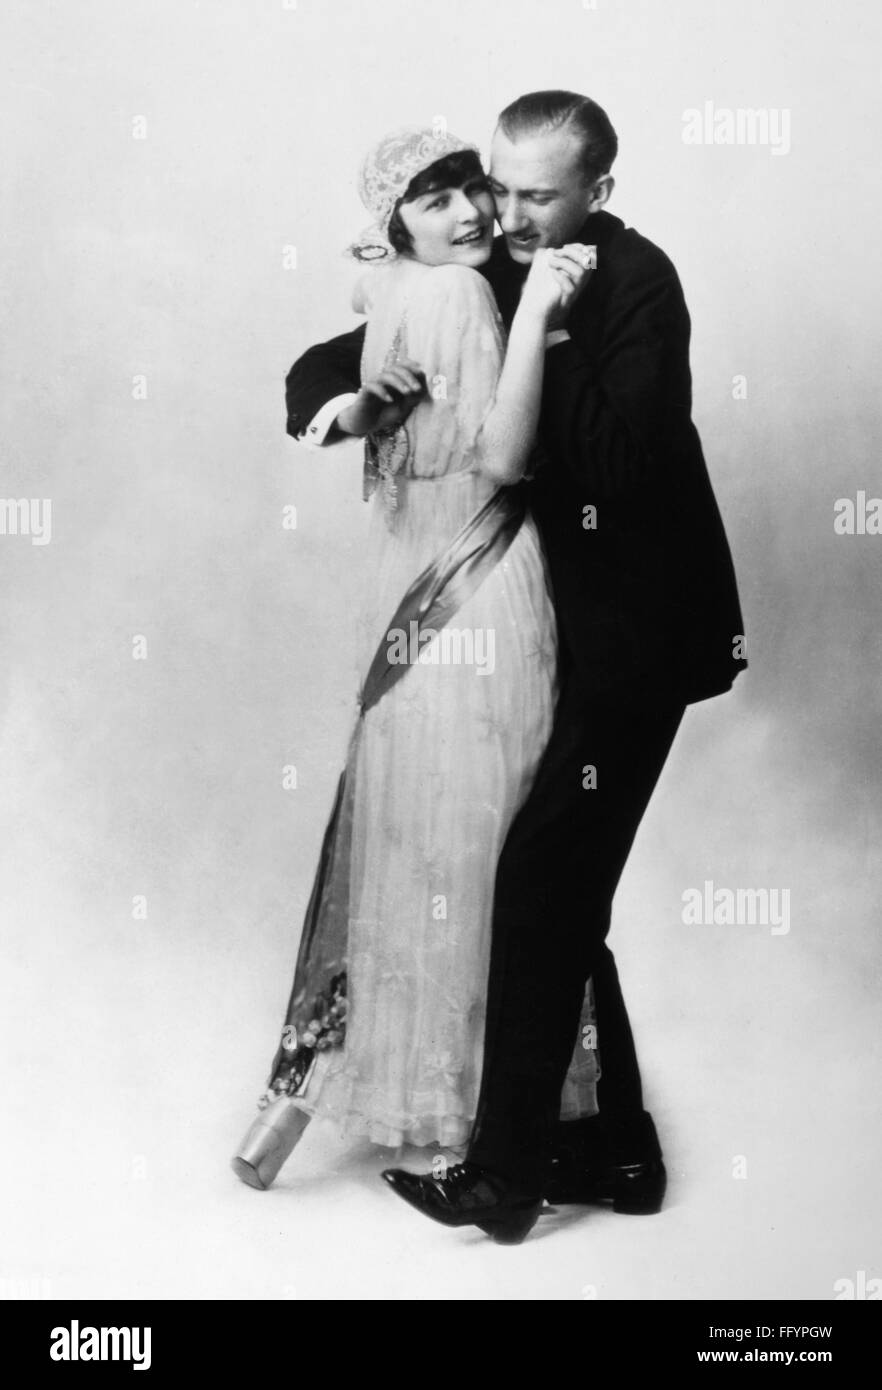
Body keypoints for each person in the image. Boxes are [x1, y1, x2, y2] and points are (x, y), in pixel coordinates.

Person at [282, 92, 748, 1243]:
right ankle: (611, 1146)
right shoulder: (504, 267)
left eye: (537, 192)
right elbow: (342, 351)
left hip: (641, 638)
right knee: (554, 885)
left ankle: (509, 1176)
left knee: (544, 883)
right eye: (500, 185)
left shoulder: (639, 283)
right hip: (574, 631)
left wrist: (539, 328)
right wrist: (341, 404)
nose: (507, 209)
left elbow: (612, 460)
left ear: (600, 188)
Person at [232, 125, 600, 1192]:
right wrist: (350, 410)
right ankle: (478, 1101)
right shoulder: (435, 290)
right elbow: (456, 428)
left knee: (449, 830)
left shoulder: (436, 284)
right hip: (451, 570)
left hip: (443, 571)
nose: (471, 213)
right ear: (393, 222)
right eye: (434, 199)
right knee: (452, 827)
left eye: (471, 187)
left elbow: (467, 418)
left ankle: (454, 1096)